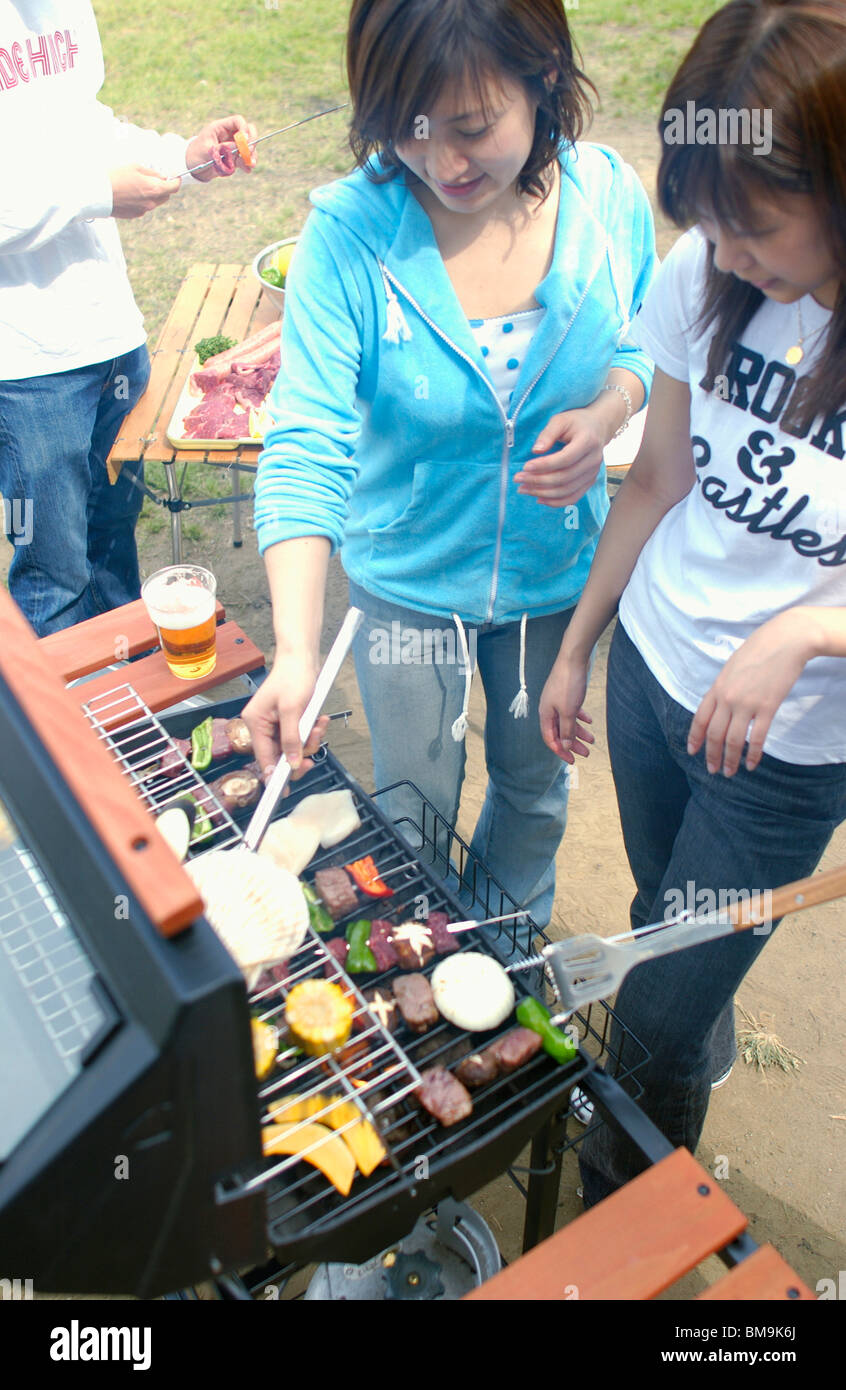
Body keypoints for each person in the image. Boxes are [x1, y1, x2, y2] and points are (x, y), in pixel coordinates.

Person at [244, 0, 655, 946]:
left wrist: (608, 412)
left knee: (533, 786)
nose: (445, 164)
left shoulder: (606, 198)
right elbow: (304, 441)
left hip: (556, 579)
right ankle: (424, 962)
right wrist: (298, 651)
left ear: (545, 75)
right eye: (409, 129)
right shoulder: (350, 235)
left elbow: (644, 337)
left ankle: (506, 950)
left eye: (473, 129)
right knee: (413, 803)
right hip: (408, 581)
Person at [539, 0, 846, 1203]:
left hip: (787, 745)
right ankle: (687, 1047)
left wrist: (809, 628)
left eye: (756, 226)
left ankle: (627, 1211)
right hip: (656, 673)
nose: (727, 257)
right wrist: (578, 648)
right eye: (708, 224)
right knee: (658, 916)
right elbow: (659, 473)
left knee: (650, 1013)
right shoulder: (700, 270)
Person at [0, 0, 256, 635]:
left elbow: (88, 127)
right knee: (54, 572)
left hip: (109, 334)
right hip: (26, 365)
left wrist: (184, 158)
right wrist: (97, 192)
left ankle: (128, 720)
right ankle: (48, 735)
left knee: (114, 542)